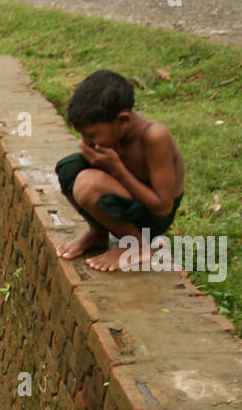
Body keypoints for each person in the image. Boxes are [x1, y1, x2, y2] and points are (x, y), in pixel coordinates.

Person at [53, 69, 185, 272]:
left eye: (92, 135)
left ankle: (139, 246)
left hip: (152, 218)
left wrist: (117, 169)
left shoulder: (154, 137)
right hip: (126, 204)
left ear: (123, 121)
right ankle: (97, 233)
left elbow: (163, 207)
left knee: (89, 185)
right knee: (69, 168)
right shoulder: (113, 135)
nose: (86, 142)